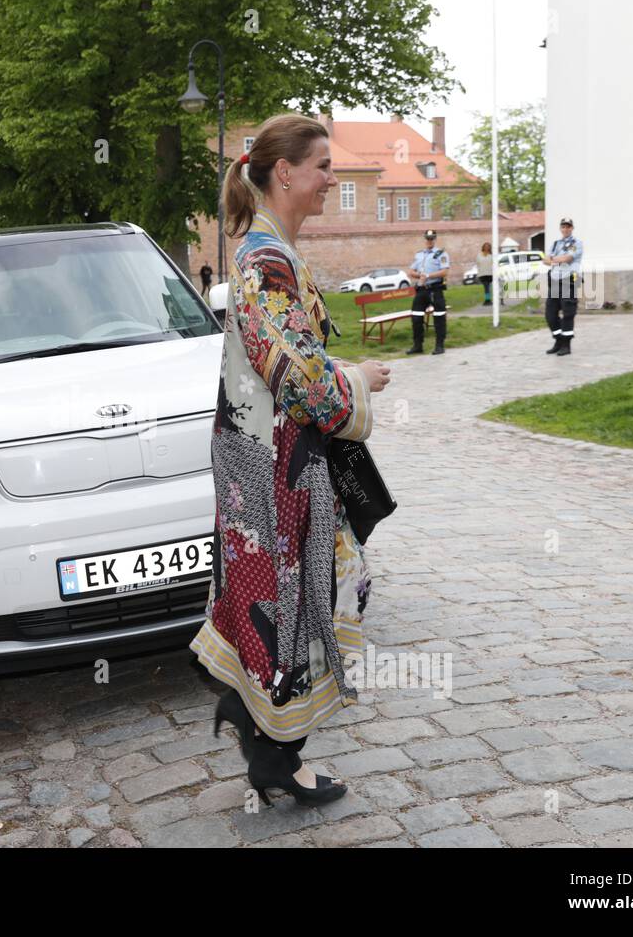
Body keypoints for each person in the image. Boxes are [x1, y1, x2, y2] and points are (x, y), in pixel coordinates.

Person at [191, 113, 391, 808]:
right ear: (286, 173)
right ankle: (271, 747)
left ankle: (262, 733)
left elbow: (287, 358)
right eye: (324, 167)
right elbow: (301, 383)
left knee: (294, 597)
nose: (333, 179)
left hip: (269, 458)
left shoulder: (266, 255)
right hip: (274, 468)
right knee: (304, 598)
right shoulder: (265, 263)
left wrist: (333, 367)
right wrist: (356, 380)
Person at [407, 230, 450, 354]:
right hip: (421, 290)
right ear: (425, 239)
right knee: (416, 317)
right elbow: (411, 271)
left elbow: (444, 272)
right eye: (427, 239)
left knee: (439, 317)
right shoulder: (419, 254)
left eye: (431, 239)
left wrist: (428, 275)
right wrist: (419, 275)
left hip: (435, 289)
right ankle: (417, 345)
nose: (429, 241)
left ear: (435, 239)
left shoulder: (441, 254)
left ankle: (439, 346)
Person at [545, 217, 583, 356]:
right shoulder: (555, 244)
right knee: (550, 315)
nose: (565, 229)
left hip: (568, 280)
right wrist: (556, 260)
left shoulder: (576, 243)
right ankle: (558, 340)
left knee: (568, 314)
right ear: (560, 228)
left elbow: (568, 258)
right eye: (563, 227)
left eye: (568, 227)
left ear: (572, 228)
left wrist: (553, 259)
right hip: (555, 281)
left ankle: (566, 345)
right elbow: (545, 260)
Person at [477, 241, 495, 306]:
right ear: (483, 247)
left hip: (490, 274)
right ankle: (488, 300)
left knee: (487, 287)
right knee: (486, 287)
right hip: (482, 274)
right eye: (485, 247)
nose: (486, 248)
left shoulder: (491, 255)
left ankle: (487, 300)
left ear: (489, 248)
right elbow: (478, 264)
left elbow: (493, 264)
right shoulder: (479, 255)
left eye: (488, 247)